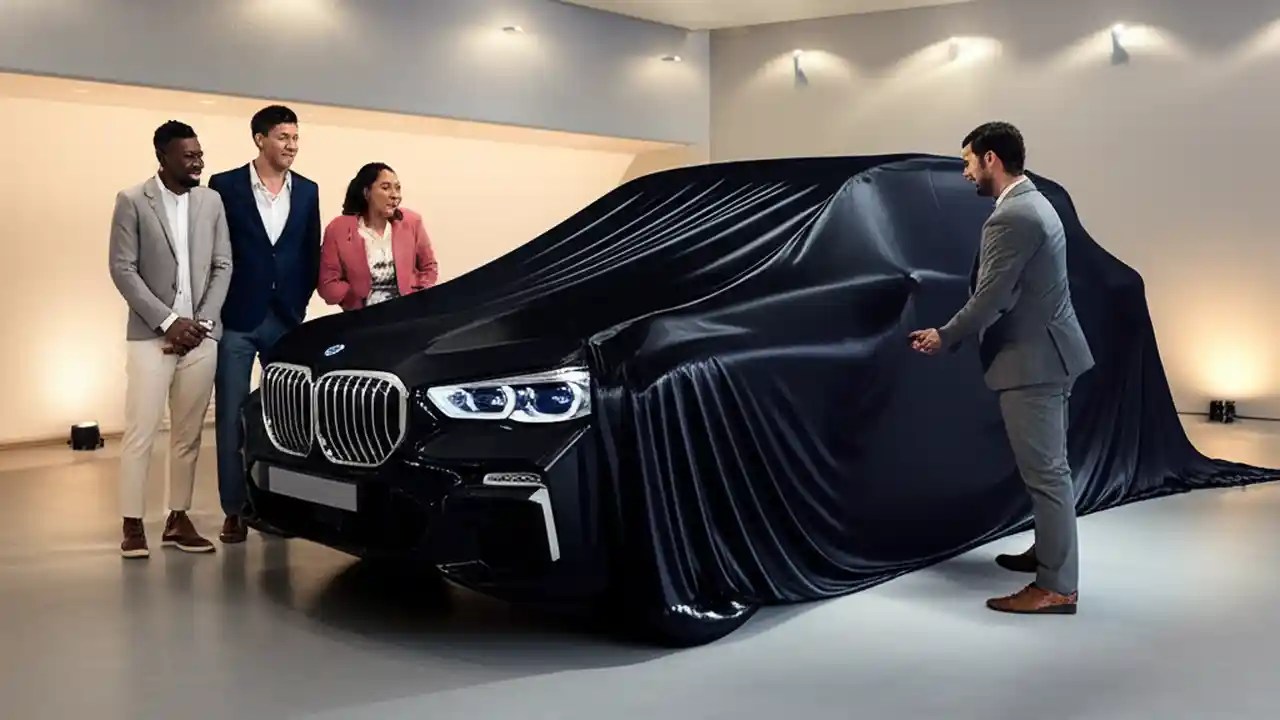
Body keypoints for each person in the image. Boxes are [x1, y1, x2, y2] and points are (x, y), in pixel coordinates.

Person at [909, 121, 1095, 614]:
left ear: (991, 158)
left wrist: (944, 334)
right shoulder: (1035, 203)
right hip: (1050, 353)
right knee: (1049, 468)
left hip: (1032, 362)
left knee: (1047, 473)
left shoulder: (1011, 218)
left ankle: (1057, 585)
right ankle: (1049, 554)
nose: (966, 172)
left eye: (969, 160)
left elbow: (991, 297)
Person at [107, 120, 232, 558]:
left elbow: (222, 265)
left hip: (201, 338)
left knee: (189, 434)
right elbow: (123, 269)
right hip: (150, 338)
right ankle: (132, 523)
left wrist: (202, 323)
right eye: (188, 155)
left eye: (199, 153)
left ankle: (178, 518)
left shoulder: (211, 201)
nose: (198, 161)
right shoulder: (132, 201)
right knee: (141, 432)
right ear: (162, 157)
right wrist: (167, 322)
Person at [207, 105, 321, 544]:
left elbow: (309, 251)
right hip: (237, 318)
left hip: (286, 320)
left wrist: (299, 303)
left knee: (285, 418)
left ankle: (282, 507)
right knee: (233, 416)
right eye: (283, 138)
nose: (291, 145)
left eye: (295, 138)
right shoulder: (226, 186)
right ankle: (234, 509)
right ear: (260, 139)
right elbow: (217, 250)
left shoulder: (308, 191)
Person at [318, 163, 439, 310]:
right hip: (362, 319)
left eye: (398, 188)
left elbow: (429, 266)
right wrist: (353, 297)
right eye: (385, 187)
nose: (395, 195)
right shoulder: (338, 229)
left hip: (408, 313)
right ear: (366, 192)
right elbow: (327, 283)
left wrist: (416, 293)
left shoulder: (412, 222)